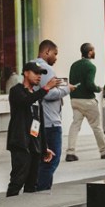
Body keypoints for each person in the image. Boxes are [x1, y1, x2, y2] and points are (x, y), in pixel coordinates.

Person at [6, 61, 54, 197]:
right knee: (17, 179)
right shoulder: (16, 90)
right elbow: (25, 101)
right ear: (26, 73)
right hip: (20, 141)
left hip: (34, 143)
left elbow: (40, 122)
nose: (39, 76)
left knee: (32, 182)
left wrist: (44, 147)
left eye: (41, 74)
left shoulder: (37, 96)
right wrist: (45, 89)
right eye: (36, 73)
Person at [30, 40, 70, 189]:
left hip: (39, 120)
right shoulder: (46, 69)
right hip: (50, 121)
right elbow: (49, 93)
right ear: (47, 51)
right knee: (52, 159)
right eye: (55, 54)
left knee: (42, 159)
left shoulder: (32, 66)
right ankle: (41, 190)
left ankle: (37, 186)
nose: (56, 58)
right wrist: (67, 89)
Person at [65, 42, 105, 161]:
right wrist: (99, 89)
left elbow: (72, 82)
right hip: (87, 101)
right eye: (93, 50)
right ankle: (104, 151)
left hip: (75, 100)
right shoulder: (91, 66)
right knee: (97, 126)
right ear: (89, 52)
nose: (94, 52)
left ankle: (70, 152)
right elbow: (89, 84)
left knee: (75, 125)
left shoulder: (74, 65)